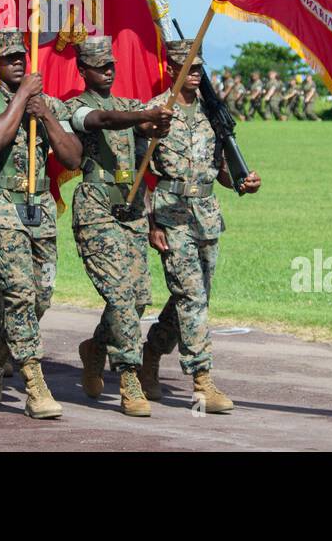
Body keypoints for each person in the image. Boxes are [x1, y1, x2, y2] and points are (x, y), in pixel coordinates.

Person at [138, 39, 262, 413]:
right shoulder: (155, 113)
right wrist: (150, 222)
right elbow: (140, 173)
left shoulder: (213, 114)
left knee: (193, 298)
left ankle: (152, 352)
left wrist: (243, 180)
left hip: (207, 214)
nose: (194, 74)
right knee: (191, 296)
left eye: (198, 67)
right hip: (171, 214)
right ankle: (202, 381)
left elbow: (222, 171)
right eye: (187, 67)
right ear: (172, 68)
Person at [0, 28, 83, 420]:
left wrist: (46, 113)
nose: (17, 62)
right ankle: (35, 384)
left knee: (39, 299)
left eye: (22, 57)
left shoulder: (45, 103)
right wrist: (20, 99)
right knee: (18, 295)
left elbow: (72, 158)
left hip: (40, 211)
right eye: (9, 58)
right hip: (0, 208)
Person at [67, 36, 170, 417]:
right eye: (100, 66)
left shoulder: (130, 107)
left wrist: (161, 120)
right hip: (97, 211)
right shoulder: (75, 108)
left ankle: (95, 349)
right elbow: (103, 120)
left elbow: (147, 132)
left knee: (138, 297)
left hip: (132, 211)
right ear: (83, 71)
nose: (109, 71)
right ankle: (129, 377)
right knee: (121, 297)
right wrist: (146, 116)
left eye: (111, 65)